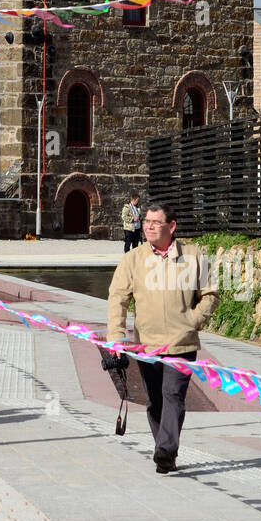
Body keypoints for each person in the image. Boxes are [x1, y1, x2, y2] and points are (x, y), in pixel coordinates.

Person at [107, 202, 218, 475]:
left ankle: (166, 449)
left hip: (182, 344)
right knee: (155, 400)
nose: (149, 226)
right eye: (146, 222)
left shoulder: (192, 256)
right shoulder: (133, 259)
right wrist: (116, 338)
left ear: (172, 226)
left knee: (173, 394)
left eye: (156, 222)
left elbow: (211, 295)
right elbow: (117, 299)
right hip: (147, 344)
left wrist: (191, 321)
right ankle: (164, 450)